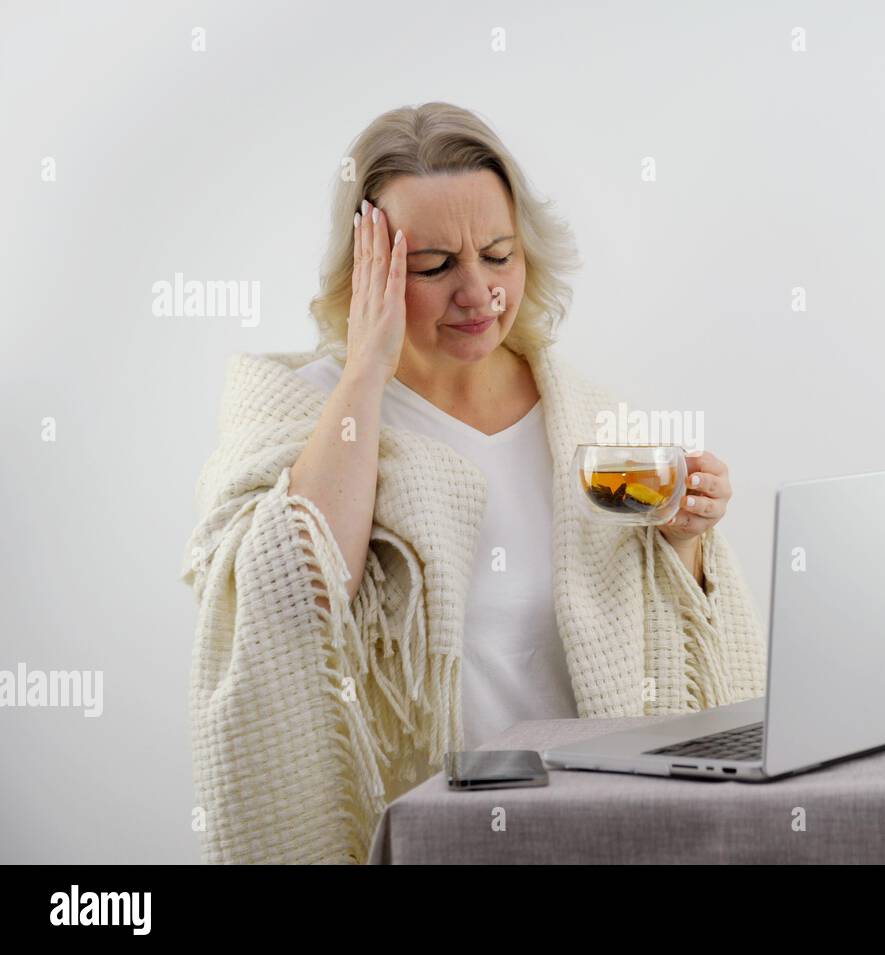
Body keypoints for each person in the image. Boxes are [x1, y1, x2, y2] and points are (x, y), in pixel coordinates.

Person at [180, 102, 765, 864]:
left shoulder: (585, 417)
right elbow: (299, 590)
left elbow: (663, 632)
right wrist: (366, 368)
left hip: (593, 835)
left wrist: (684, 539)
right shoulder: (302, 411)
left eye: (498, 254)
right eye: (433, 266)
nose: (479, 292)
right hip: (435, 840)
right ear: (369, 272)